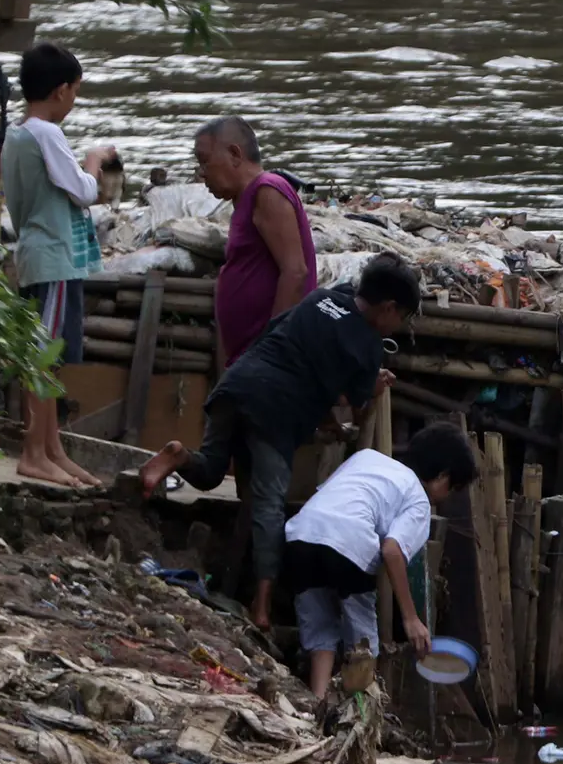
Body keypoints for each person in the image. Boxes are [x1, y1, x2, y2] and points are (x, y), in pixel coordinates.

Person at [141, 254, 421, 629]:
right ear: (389, 308)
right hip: (275, 410)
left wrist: (330, 418)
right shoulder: (368, 344)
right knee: (269, 507)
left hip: (237, 384)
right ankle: (262, 604)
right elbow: (351, 402)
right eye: (402, 318)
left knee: (210, 470)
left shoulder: (323, 297)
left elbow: (295, 353)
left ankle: (178, 455)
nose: (397, 327)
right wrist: (373, 387)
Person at [284, 423, 477, 700]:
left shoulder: (366, 457)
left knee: (319, 630)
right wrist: (411, 618)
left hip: (301, 536)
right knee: (363, 645)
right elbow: (392, 550)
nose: (446, 496)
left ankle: (318, 702)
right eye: (451, 488)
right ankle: (361, 714)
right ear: (441, 476)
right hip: (350, 545)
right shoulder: (419, 500)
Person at [1, 43, 116, 489]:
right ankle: (34, 453)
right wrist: (93, 162)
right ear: (62, 90)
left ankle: (52, 450)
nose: (74, 100)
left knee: (43, 356)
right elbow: (84, 192)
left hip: (34, 251)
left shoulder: (16, 134)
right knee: (43, 359)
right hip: (53, 259)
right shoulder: (47, 134)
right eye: (76, 91)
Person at [195, 116, 317, 366]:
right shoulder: (245, 200)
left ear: (234, 154)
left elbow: (295, 273)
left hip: (269, 362)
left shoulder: (267, 190)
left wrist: (268, 353)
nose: (201, 174)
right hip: (249, 358)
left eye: (205, 162)